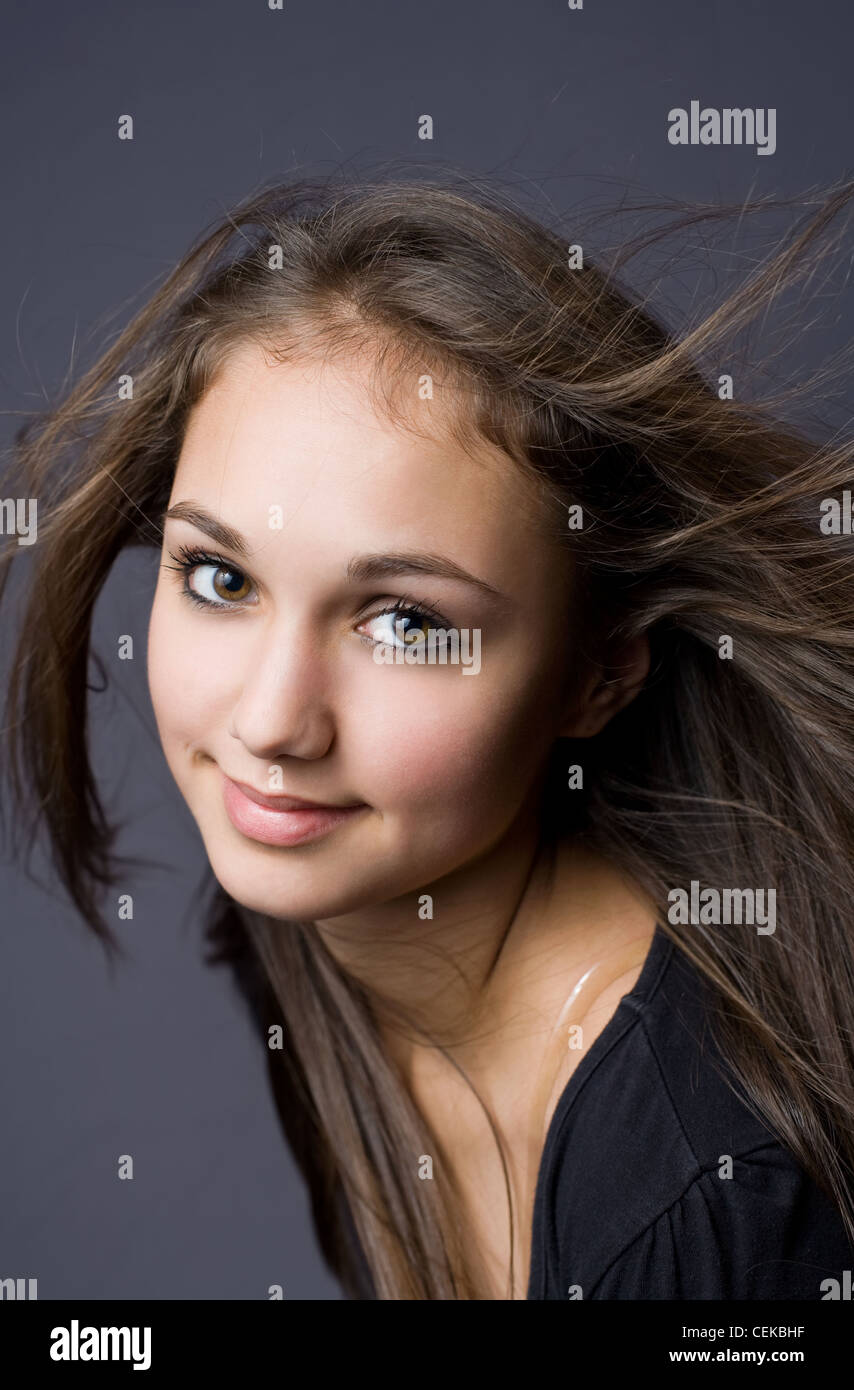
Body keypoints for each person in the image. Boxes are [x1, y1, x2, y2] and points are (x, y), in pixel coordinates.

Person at [3, 171, 854, 1299]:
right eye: (219, 576)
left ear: (594, 675)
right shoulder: (320, 916)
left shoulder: (710, 1199)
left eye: (404, 620)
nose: (269, 723)